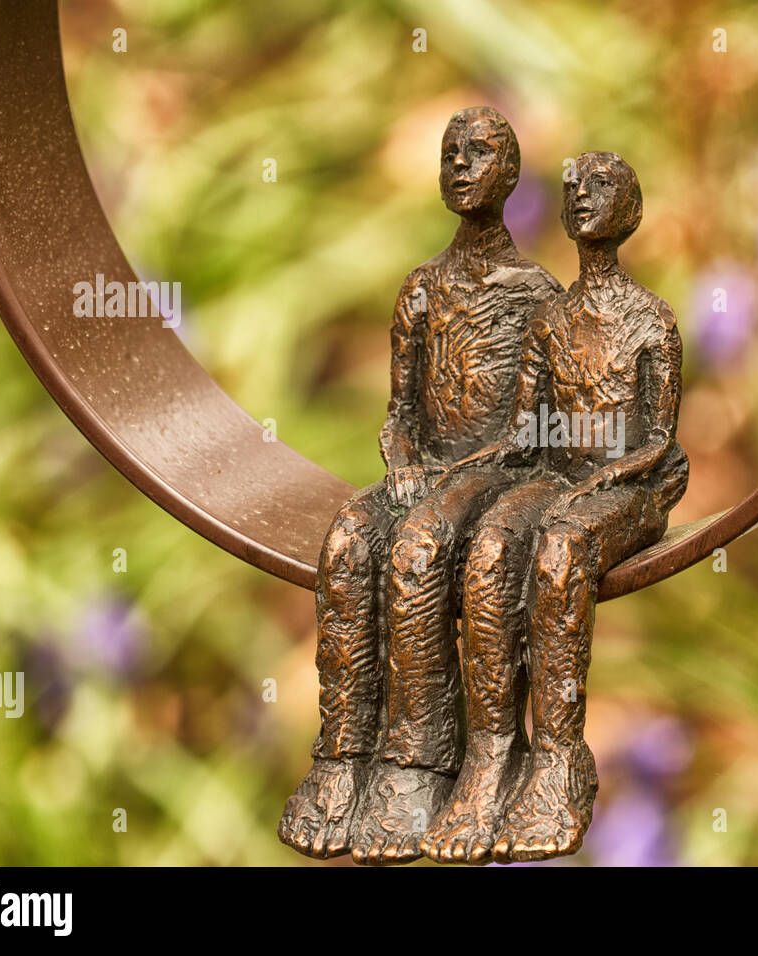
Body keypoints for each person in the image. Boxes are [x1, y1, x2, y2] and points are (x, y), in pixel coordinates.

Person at [278, 107, 561, 863]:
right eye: (450, 153)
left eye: (480, 152)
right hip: (424, 473)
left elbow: (539, 436)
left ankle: (419, 762)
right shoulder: (422, 289)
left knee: (419, 547)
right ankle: (343, 753)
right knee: (346, 542)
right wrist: (403, 460)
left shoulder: (537, 294)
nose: (461, 165)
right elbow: (400, 413)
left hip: (498, 475)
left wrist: (455, 478)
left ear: (509, 173)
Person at [420, 151, 688, 863]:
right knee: (488, 549)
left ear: (627, 210)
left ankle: (557, 760)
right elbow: (522, 435)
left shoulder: (651, 323)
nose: (579, 197)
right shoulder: (549, 321)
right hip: (557, 476)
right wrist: (453, 481)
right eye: (571, 187)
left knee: (561, 549)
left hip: (627, 491)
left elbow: (659, 440)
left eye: (598, 188)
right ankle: (488, 755)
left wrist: (605, 481)